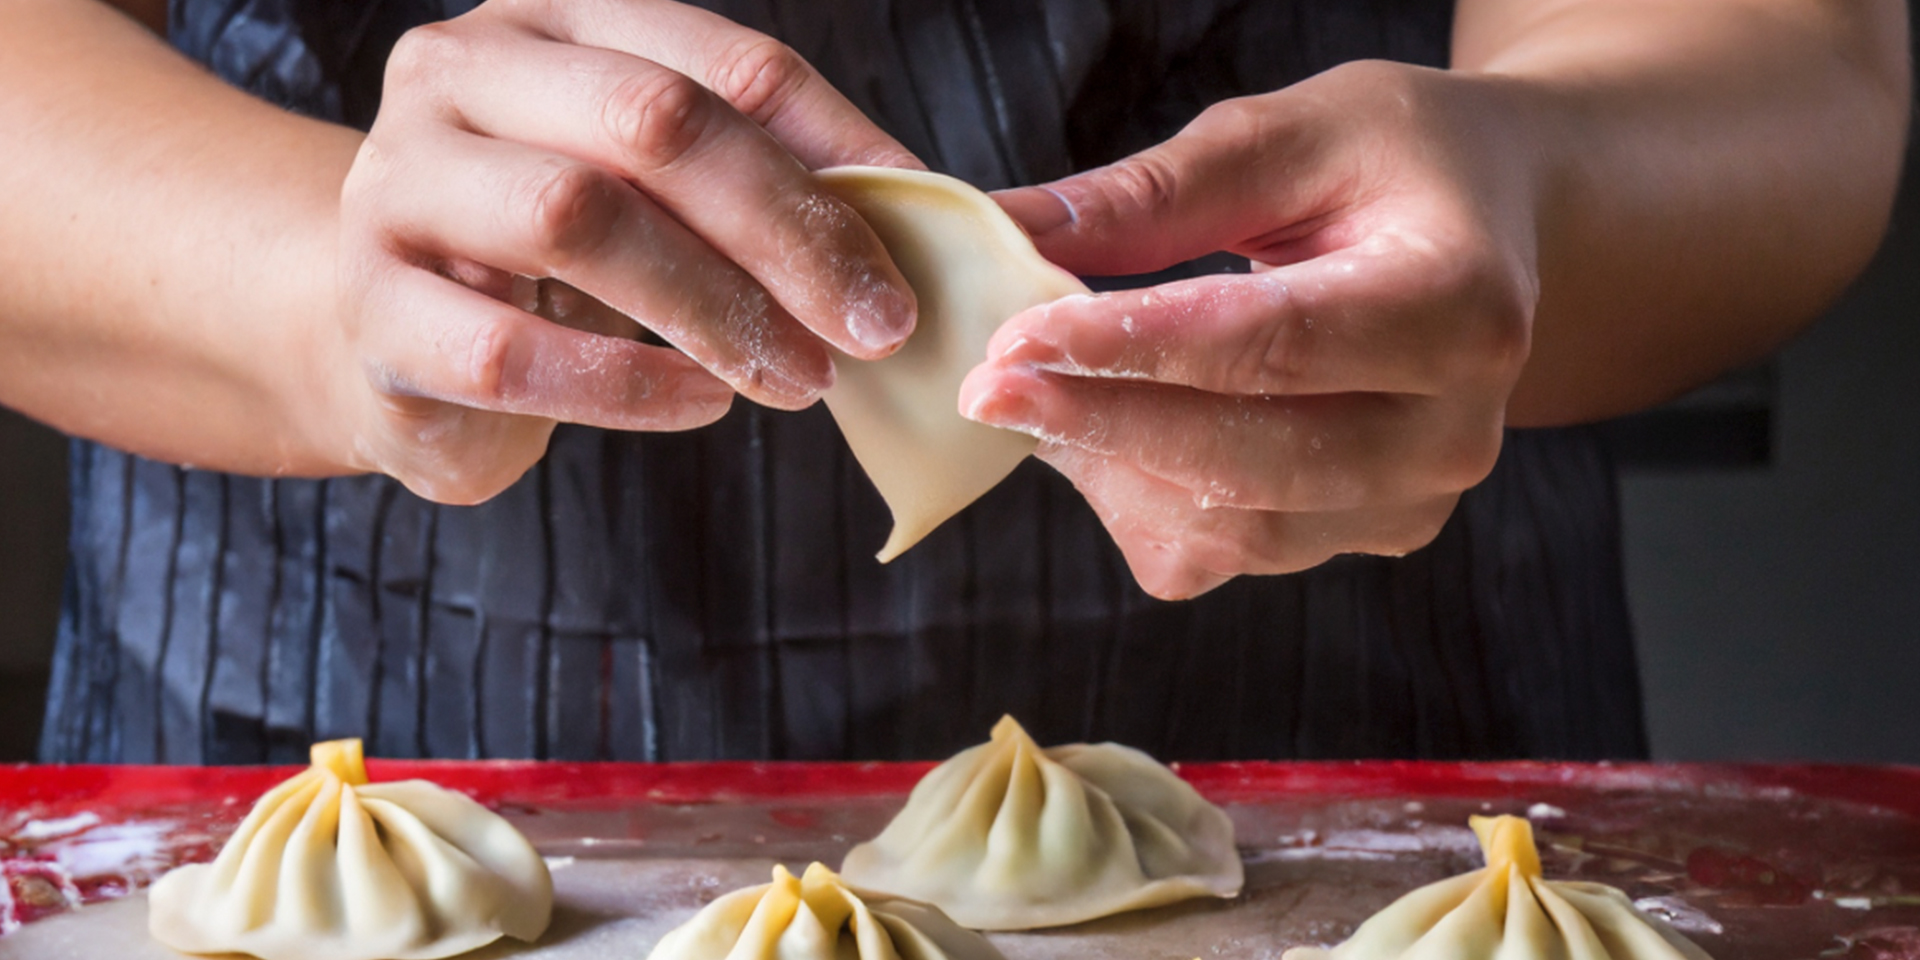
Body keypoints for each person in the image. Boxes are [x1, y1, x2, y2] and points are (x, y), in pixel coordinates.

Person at [4, 0, 1908, 765]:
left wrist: (1541, 193)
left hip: (1358, 716)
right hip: (331, 725)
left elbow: (1795, 66)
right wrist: (314, 286)